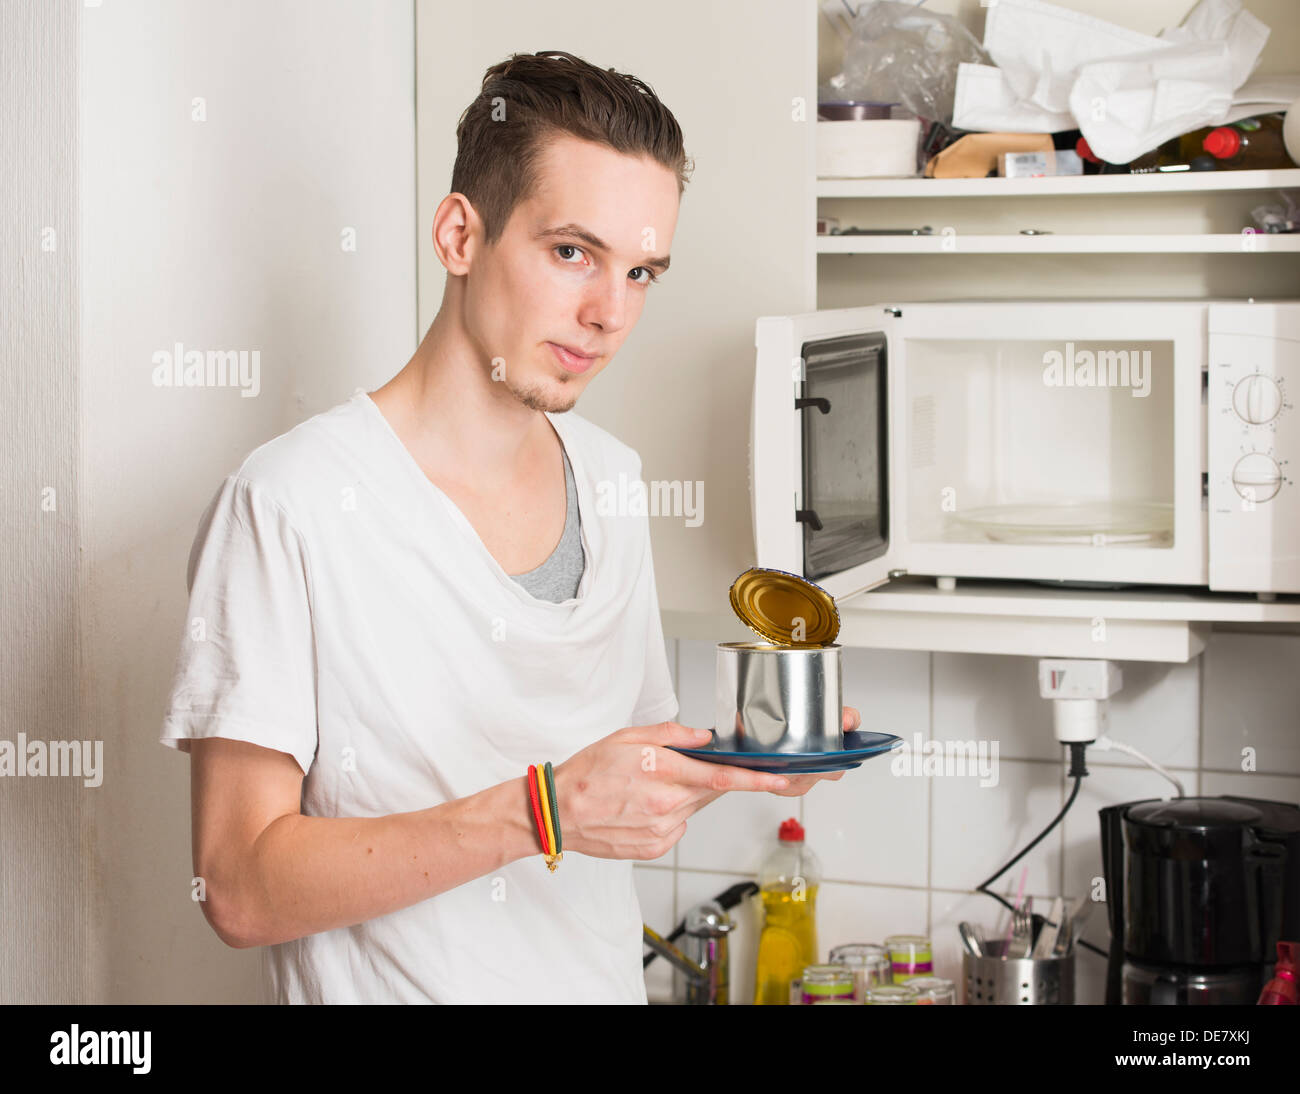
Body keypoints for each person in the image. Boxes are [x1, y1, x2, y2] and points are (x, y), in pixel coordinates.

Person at [159, 49, 857, 1004]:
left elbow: (616, 785)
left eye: (642, 271)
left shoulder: (613, 480)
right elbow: (236, 887)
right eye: (572, 251)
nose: (610, 313)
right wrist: (543, 812)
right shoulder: (291, 504)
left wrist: (755, 756)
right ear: (459, 234)